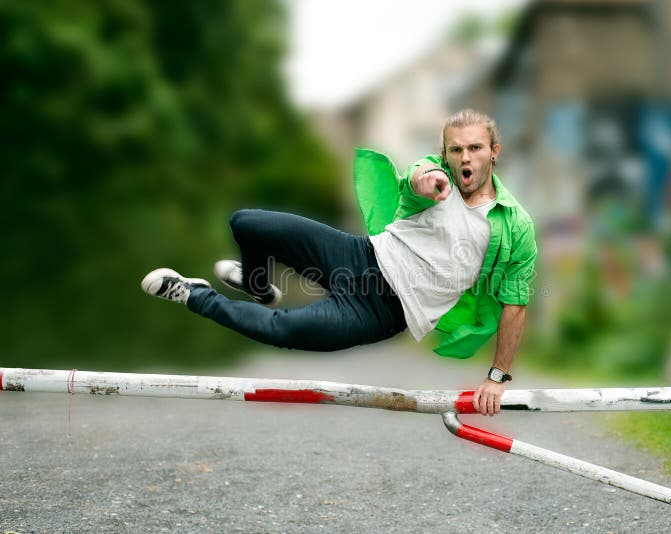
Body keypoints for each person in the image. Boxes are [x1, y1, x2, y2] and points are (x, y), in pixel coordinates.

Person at [141, 109, 537, 416]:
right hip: (359, 255)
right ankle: (258, 285)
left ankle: (193, 295)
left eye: (475, 148)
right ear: (446, 152)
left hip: (381, 310)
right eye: (456, 149)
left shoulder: (514, 225)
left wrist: (497, 378)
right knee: (247, 223)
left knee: (284, 330)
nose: (464, 158)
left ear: (493, 153)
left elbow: (515, 305)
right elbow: (417, 177)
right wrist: (427, 178)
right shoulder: (436, 178)